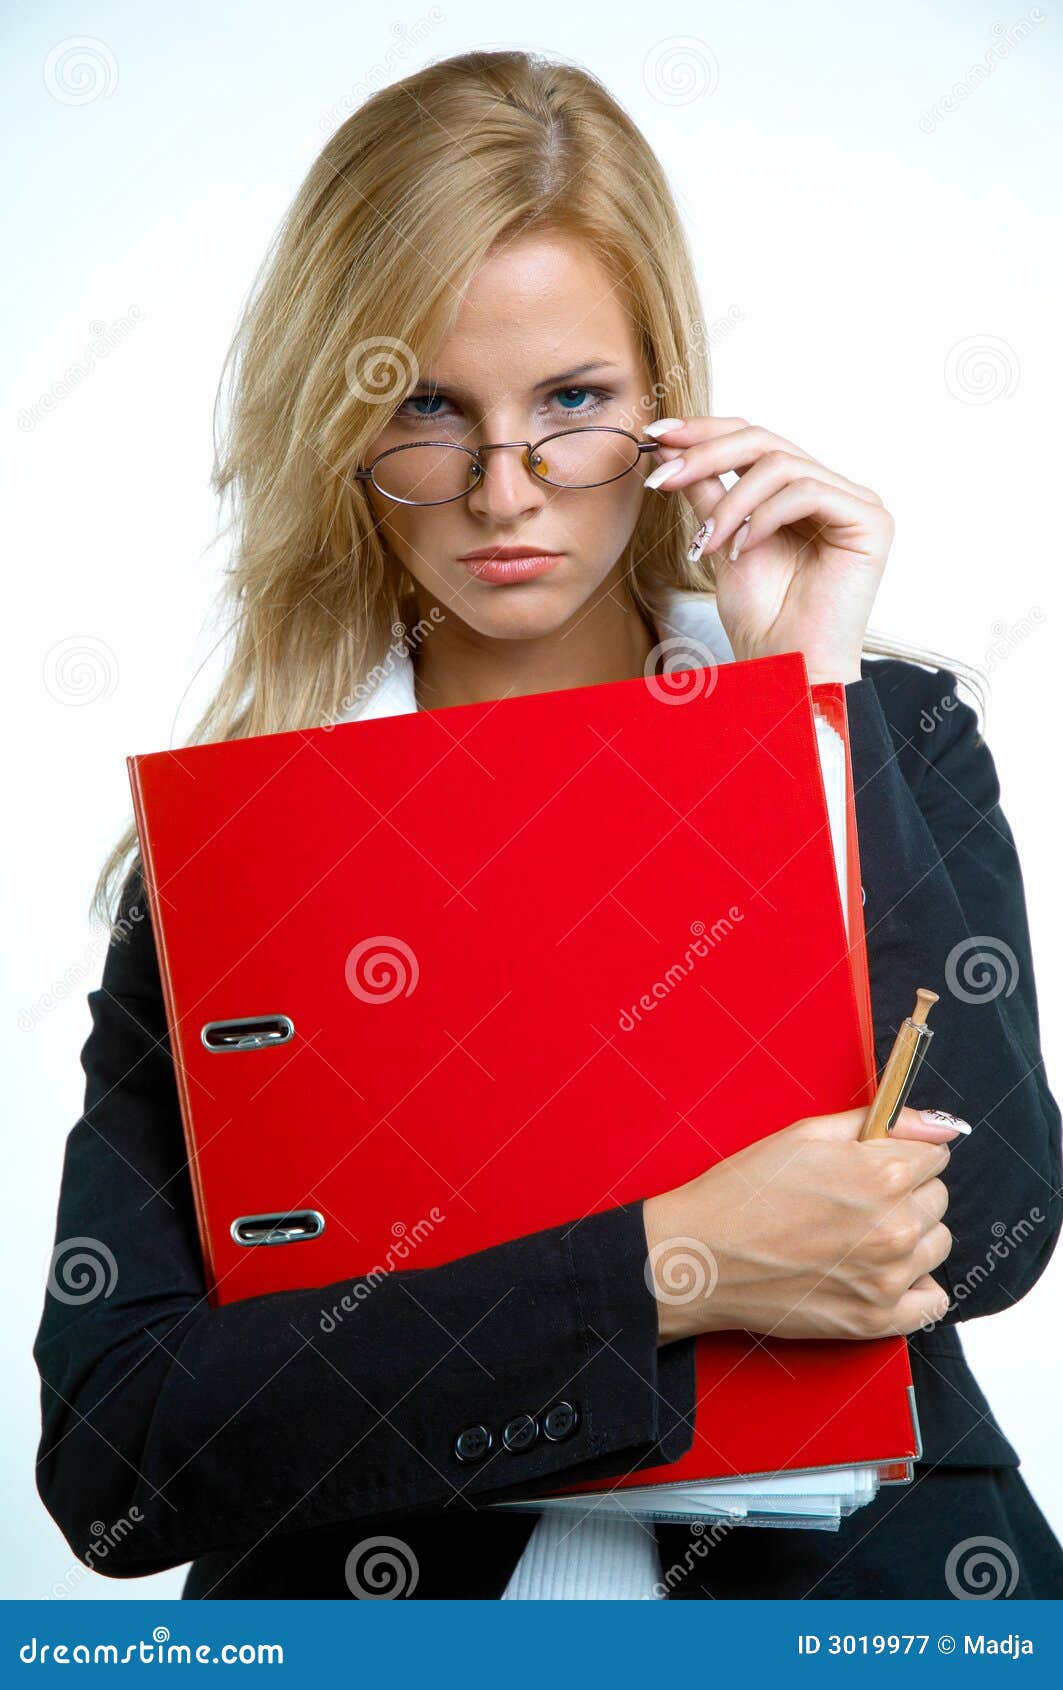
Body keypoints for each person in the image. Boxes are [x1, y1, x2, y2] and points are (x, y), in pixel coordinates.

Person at [33, 49, 1063, 1600]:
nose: (506, 490)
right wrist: (660, 1264)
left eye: (574, 401)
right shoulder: (231, 853)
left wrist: (805, 704)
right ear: (341, 429)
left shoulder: (882, 724)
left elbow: (990, 1226)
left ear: (664, 401)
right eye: (429, 408)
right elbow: (118, 1457)